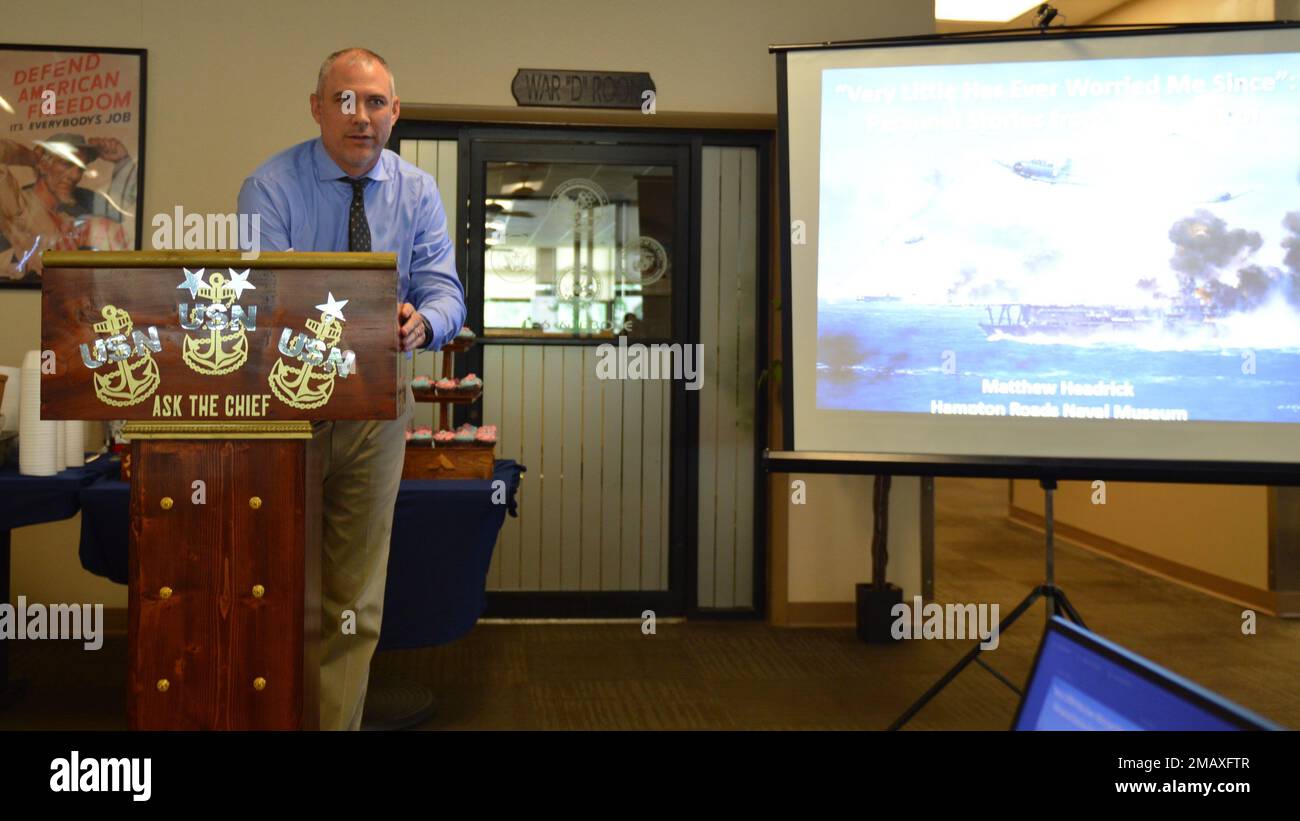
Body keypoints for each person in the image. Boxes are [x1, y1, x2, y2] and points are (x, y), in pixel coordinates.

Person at [237, 47, 466, 730]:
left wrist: (421, 320)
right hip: (285, 407)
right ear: (317, 108)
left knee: (353, 597)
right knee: (273, 581)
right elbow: (260, 302)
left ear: (394, 112)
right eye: (345, 100)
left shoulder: (418, 192)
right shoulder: (268, 187)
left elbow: (446, 292)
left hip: (377, 407)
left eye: (375, 103)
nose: (359, 116)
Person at [0, 133, 134, 279]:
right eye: (67, 164)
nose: (75, 176)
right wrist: (33, 158)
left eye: (80, 168)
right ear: (44, 164)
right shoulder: (17, 202)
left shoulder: (75, 210)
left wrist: (122, 161)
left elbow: (121, 215)